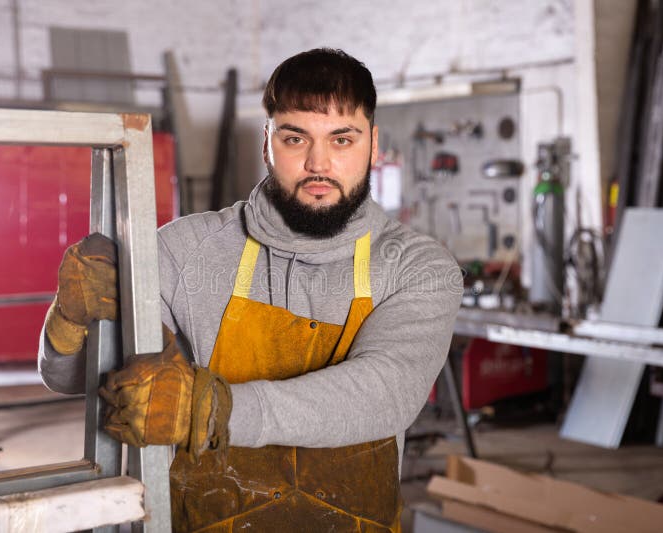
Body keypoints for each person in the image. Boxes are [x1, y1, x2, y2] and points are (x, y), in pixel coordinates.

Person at [39, 48, 463, 532]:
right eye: (294, 137)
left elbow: (385, 394)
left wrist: (216, 410)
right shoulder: (184, 250)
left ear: (373, 143)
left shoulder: (420, 267)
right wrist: (69, 320)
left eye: (342, 139)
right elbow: (78, 380)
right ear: (267, 141)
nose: (318, 163)